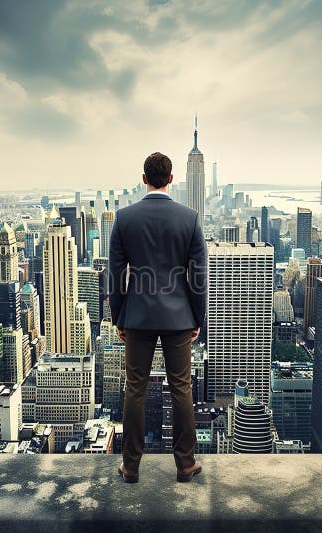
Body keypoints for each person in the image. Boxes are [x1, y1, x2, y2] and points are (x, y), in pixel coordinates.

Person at [108, 151, 207, 483]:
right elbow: (198, 275)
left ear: (144, 178)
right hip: (179, 317)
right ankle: (185, 464)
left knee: (134, 389)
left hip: (136, 316)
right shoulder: (190, 218)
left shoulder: (124, 218)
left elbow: (115, 274)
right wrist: (197, 318)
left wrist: (119, 316)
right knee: (182, 388)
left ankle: (131, 467)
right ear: (171, 178)